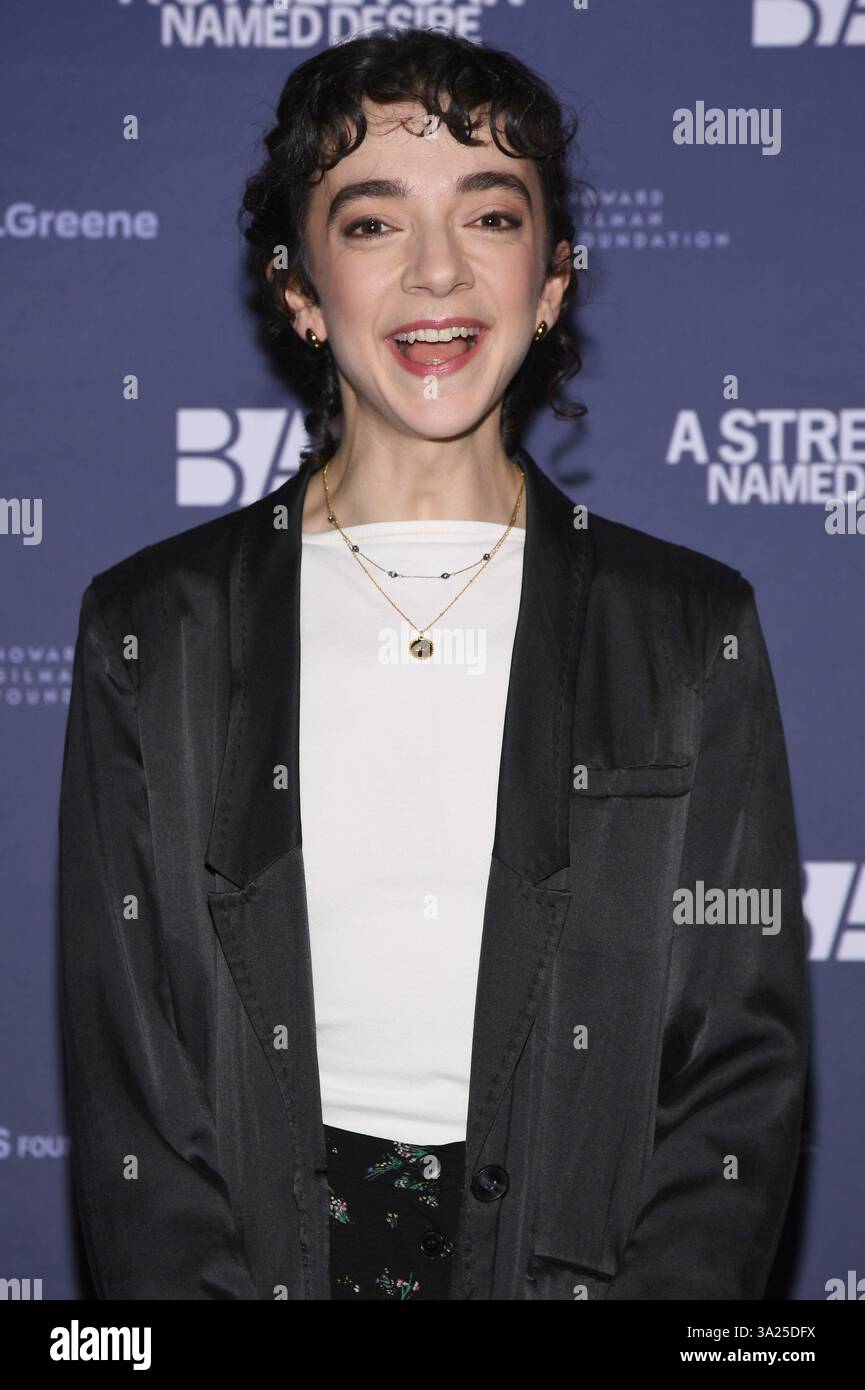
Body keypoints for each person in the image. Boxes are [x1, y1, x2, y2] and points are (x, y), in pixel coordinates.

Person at [58, 28, 809, 1301]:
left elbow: (739, 1070)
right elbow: (134, 1086)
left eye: (491, 215)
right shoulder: (154, 628)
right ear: (298, 288)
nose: (437, 273)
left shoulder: (686, 625)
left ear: (553, 277)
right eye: (370, 224)